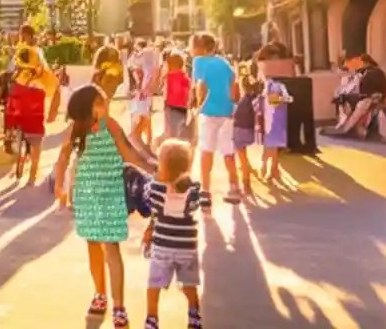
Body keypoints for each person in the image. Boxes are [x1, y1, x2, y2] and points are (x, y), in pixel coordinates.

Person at [53, 85, 156, 327]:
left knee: (110, 247)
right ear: (88, 106)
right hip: (87, 195)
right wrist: (60, 186)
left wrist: (152, 168)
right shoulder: (76, 129)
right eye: (100, 102)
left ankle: (118, 306)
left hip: (110, 194)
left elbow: (129, 154)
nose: (105, 105)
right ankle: (99, 294)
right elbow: (63, 157)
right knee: (93, 246)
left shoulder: (110, 125)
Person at [140, 139, 208, 329]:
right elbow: (196, 204)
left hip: (163, 247)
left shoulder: (156, 189)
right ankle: (194, 316)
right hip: (187, 246)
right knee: (189, 285)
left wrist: (155, 179)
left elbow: (148, 201)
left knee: (154, 285)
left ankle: (152, 319)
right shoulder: (193, 190)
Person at [191, 32, 243, 205]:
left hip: (208, 111)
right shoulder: (224, 63)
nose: (191, 50)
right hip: (227, 111)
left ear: (202, 48)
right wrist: (232, 104)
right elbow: (234, 84)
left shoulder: (199, 62)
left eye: (194, 46)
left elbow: (200, 86)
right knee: (228, 151)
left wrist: (198, 105)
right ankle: (234, 186)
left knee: (206, 151)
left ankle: (205, 191)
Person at [7, 23, 61, 185]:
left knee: (35, 137)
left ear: (31, 36)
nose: (22, 38)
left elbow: (43, 70)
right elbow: (11, 68)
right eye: (20, 35)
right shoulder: (20, 51)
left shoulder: (36, 52)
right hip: (22, 93)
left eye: (24, 35)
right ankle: (11, 137)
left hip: (33, 96)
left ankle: (32, 175)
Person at [324, 53, 386, 139]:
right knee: (346, 103)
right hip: (367, 98)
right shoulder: (362, 73)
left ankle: (346, 129)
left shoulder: (375, 72)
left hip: (376, 99)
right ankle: (347, 127)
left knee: (361, 105)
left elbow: (377, 91)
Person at [259, 78, 294, 182]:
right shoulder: (267, 86)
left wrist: (279, 99)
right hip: (270, 122)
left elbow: (289, 99)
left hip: (276, 122)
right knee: (269, 147)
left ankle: (272, 170)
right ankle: (272, 170)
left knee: (272, 148)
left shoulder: (279, 86)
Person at [129, 39, 160, 146]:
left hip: (144, 89)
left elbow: (131, 62)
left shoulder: (145, 54)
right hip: (147, 89)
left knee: (142, 113)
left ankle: (135, 137)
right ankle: (148, 140)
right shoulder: (153, 55)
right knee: (145, 113)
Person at [162, 53, 191, 142]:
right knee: (180, 129)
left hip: (171, 106)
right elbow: (188, 91)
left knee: (171, 131)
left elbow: (171, 91)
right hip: (183, 106)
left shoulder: (169, 76)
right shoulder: (185, 76)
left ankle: (171, 148)